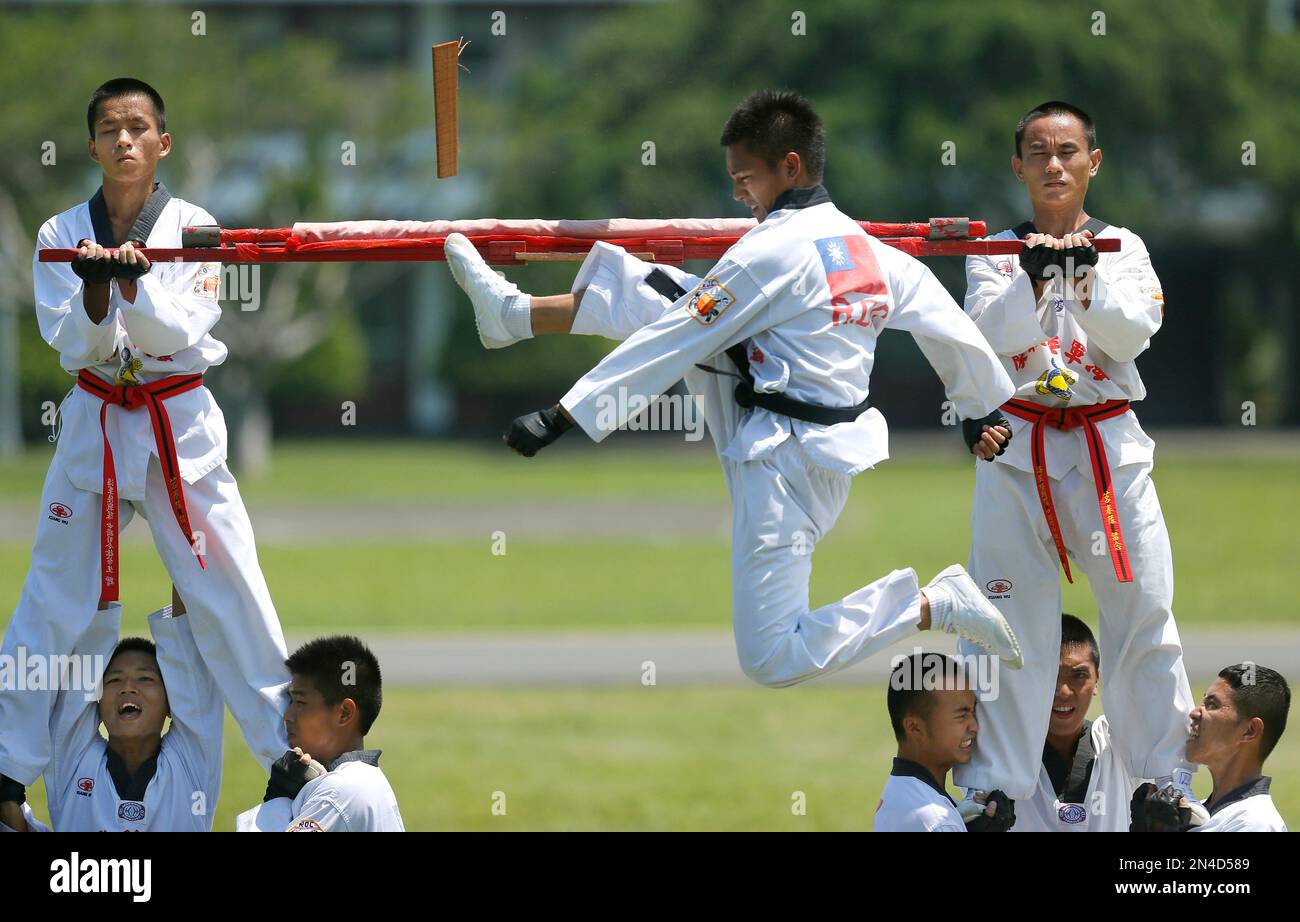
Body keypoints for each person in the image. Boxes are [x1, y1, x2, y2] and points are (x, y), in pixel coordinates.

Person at [445, 88, 1023, 688]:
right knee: (664, 297)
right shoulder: (872, 251)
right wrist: (978, 409)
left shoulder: (768, 253)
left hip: (780, 456)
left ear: (790, 168)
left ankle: (930, 604)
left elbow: (672, 344)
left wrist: (562, 417)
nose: (736, 194)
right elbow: (944, 320)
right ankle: (515, 315)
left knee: (770, 657)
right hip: (824, 447)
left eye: (745, 178)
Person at [0, 77, 291, 808]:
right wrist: (96, 296)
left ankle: (286, 750)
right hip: (95, 418)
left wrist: (131, 288)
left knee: (228, 587)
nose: (123, 139)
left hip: (176, 421)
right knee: (51, 599)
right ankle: (6, 763)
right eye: (108, 129)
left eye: (137, 128)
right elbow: (67, 344)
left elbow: (181, 331)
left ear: (162, 143)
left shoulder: (197, 229)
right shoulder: (60, 235)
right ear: (92, 145)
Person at [953, 101, 1195, 819]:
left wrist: (1083, 278)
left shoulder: (1127, 246)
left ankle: (1161, 783)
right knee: (1005, 617)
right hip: (1018, 448)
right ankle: (995, 788)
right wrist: (1031, 277)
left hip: (1106, 449)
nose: (1052, 164)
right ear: (1018, 165)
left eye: (1066, 151)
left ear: (1093, 162)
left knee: (1143, 610)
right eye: (1037, 151)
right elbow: (983, 337)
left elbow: (1130, 335)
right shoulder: (993, 250)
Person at [0, 589, 224, 832]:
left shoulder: (191, 761)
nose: (128, 688)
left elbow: (187, 649)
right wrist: (7, 800)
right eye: (114, 680)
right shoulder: (74, 760)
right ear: (97, 701)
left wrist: (182, 551)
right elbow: (89, 649)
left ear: (172, 703)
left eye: (145, 679)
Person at [236, 635, 403, 832]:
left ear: (344, 713)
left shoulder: (338, 794)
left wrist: (277, 802)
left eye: (300, 702)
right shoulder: (365, 781)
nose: (287, 715)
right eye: (289, 701)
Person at [1012, 614, 1144, 832]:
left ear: (1096, 681)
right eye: (1050, 674)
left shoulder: (1120, 745)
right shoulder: (1006, 752)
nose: (1063, 691)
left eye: (1078, 675)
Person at [1132, 664, 1289, 832]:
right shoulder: (1192, 811)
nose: (1194, 713)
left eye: (1212, 705)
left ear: (1249, 730)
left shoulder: (1256, 823)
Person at [875, 653, 1011, 832]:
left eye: (973, 712)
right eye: (962, 715)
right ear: (915, 727)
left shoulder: (902, 792)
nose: (975, 726)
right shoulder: (936, 820)